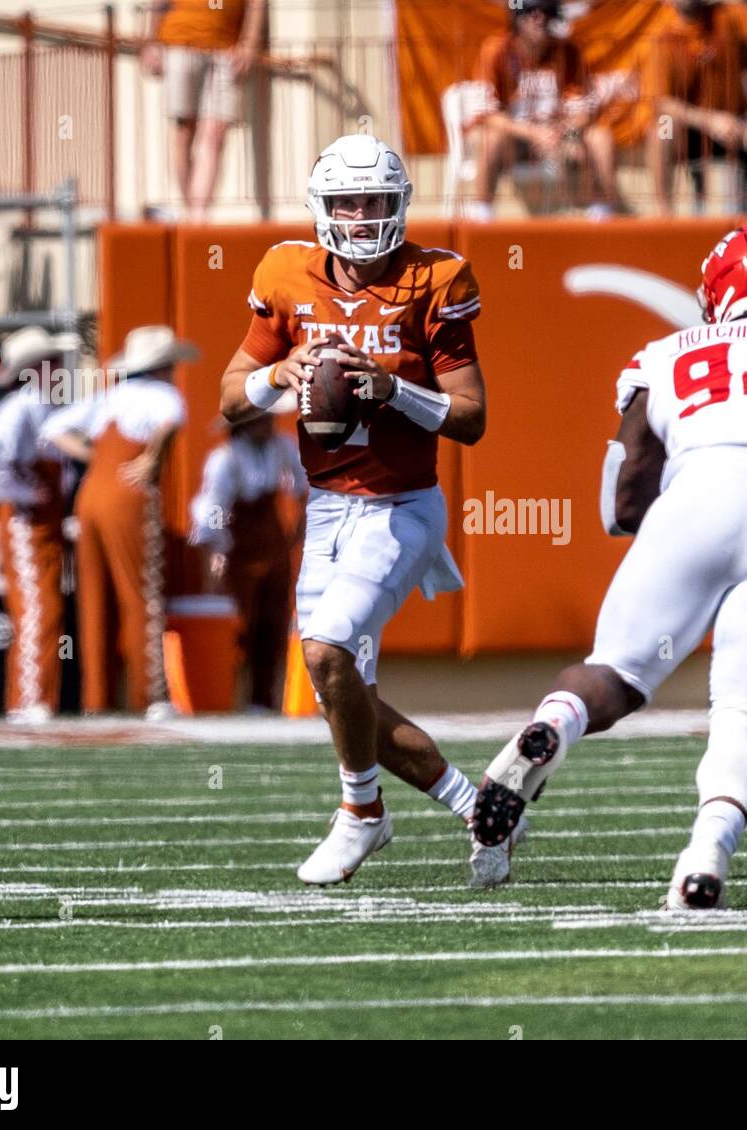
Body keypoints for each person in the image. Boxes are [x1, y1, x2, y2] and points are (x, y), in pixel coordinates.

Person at [473, 222, 747, 910]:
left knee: (615, 673)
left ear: (717, 293)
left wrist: (648, 528)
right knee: (745, 711)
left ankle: (554, 725)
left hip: (697, 494)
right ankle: (704, 855)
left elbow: (625, 489)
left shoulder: (665, 353)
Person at [219, 133, 515, 889]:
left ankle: (361, 815)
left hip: (402, 507)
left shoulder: (435, 278)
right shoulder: (287, 274)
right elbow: (228, 397)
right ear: (322, 206)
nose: (361, 216)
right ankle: (478, 805)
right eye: (347, 201)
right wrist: (275, 376)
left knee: (325, 654)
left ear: (399, 204)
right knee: (340, 690)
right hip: (325, 510)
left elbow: (473, 417)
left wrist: (392, 389)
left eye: (375, 201)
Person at [43, 325, 192, 717]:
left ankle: (97, 698)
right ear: (161, 366)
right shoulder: (164, 395)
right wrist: (153, 459)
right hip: (129, 495)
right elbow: (171, 422)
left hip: (90, 497)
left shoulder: (107, 397)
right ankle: (151, 697)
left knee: (93, 602)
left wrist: (94, 460)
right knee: (141, 594)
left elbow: (53, 429)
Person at [0, 327, 80, 724]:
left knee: (45, 607)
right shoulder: (21, 406)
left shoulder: (47, 407)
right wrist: (28, 496)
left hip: (43, 521)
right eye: (50, 363)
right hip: (25, 522)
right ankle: (30, 698)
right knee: (37, 609)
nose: (58, 369)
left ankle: (35, 698)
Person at [188, 413, 308, 711]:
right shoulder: (224, 459)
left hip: (274, 544)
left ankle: (262, 699)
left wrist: (300, 527)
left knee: (274, 621)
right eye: (259, 420)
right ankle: (228, 697)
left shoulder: (283, 448)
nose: (267, 425)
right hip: (239, 547)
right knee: (241, 626)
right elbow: (213, 507)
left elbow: (303, 486)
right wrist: (216, 551)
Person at [470, 0, 622, 219]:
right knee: (488, 138)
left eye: (546, 10)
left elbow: (583, 112)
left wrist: (560, 132)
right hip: (515, 137)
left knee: (601, 138)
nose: (538, 17)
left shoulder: (568, 51)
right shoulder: (496, 50)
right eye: (531, 10)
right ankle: (482, 215)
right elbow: (488, 114)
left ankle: (603, 214)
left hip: (559, 134)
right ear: (516, 16)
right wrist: (533, 132)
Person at [644, 0, 747, 216]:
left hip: (736, 124)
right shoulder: (662, 35)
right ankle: (664, 216)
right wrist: (709, 121)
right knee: (661, 128)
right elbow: (661, 101)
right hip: (690, 131)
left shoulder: (724, 14)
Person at [142, 0, 267, 222]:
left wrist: (249, 44)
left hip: (226, 49)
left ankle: (198, 217)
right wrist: (150, 42)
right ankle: (194, 214)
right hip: (179, 42)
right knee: (184, 132)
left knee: (216, 134)